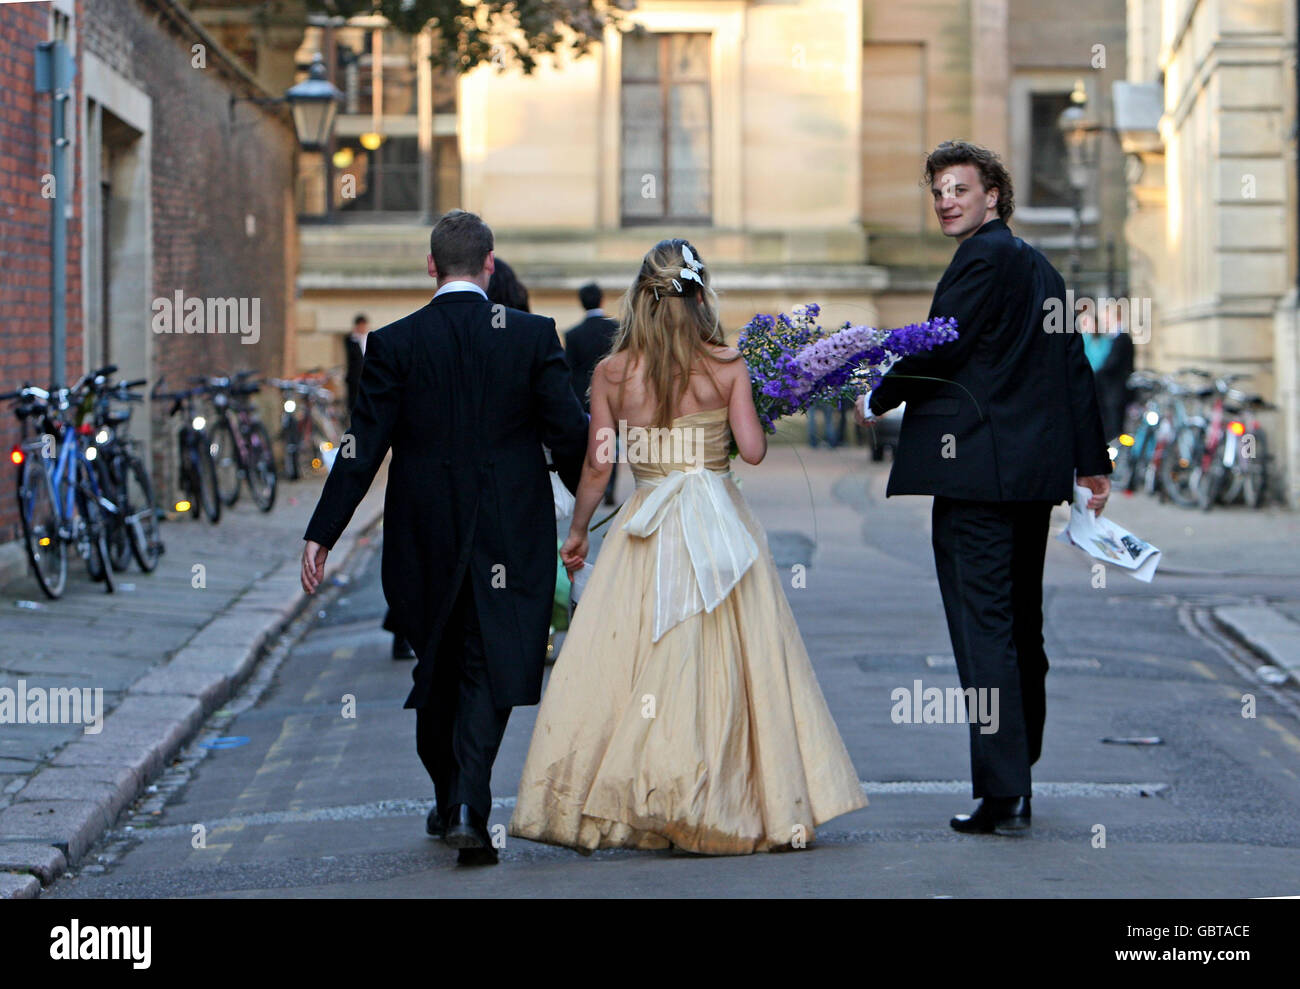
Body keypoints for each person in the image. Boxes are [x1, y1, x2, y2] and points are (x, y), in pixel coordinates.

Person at [509, 238, 867, 855]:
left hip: (645, 525)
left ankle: (644, 798)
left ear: (639, 297)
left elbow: (597, 466)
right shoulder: (727, 365)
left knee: (637, 662)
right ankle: (722, 797)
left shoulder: (611, 373)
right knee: (728, 663)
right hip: (720, 526)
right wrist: (738, 417)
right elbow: (751, 452)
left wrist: (575, 532)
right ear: (701, 295)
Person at [300, 209, 588, 866]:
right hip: (510, 525)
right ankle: (466, 801)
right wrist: (585, 512)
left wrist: (323, 533)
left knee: (437, 664)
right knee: (489, 664)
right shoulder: (531, 334)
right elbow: (571, 432)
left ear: (431, 267)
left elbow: (359, 447)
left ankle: (456, 796)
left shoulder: (394, 343)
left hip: (422, 529)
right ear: (489, 266)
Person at [856, 141, 1111, 835]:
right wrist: (1094, 463)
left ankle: (1002, 791)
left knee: (985, 632)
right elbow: (1073, 369)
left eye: (959, 189)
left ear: (992, 195)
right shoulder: (1040, 266)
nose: (946, 200)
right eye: (938, 190)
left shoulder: (983, 257)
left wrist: (881, 392)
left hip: (976, 476)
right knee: (1020, 626)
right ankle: (1017, 769)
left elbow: (943, 341)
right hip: (1028, 482)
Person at [565, 282, 620, 504]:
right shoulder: (616, 328)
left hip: (582, 397)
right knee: (610, 442)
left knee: (588, 443)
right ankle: (609, 487)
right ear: (602, 300)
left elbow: (568, 370)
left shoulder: (573, 335)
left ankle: (588, 486)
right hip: (613, 394)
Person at [1084, 304, 1135, 440]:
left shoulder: (1121, 338)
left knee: (1115, 431)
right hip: (1110, 392)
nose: (1104, 323)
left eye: (1106, 319)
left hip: (1116, 393)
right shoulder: (1112, 338)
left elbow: (1111, 365)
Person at [344, 314, 369, 416]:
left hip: (367, 376)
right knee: (353, 403)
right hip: (354, 378)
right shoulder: (351, 340)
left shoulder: (369, 338)